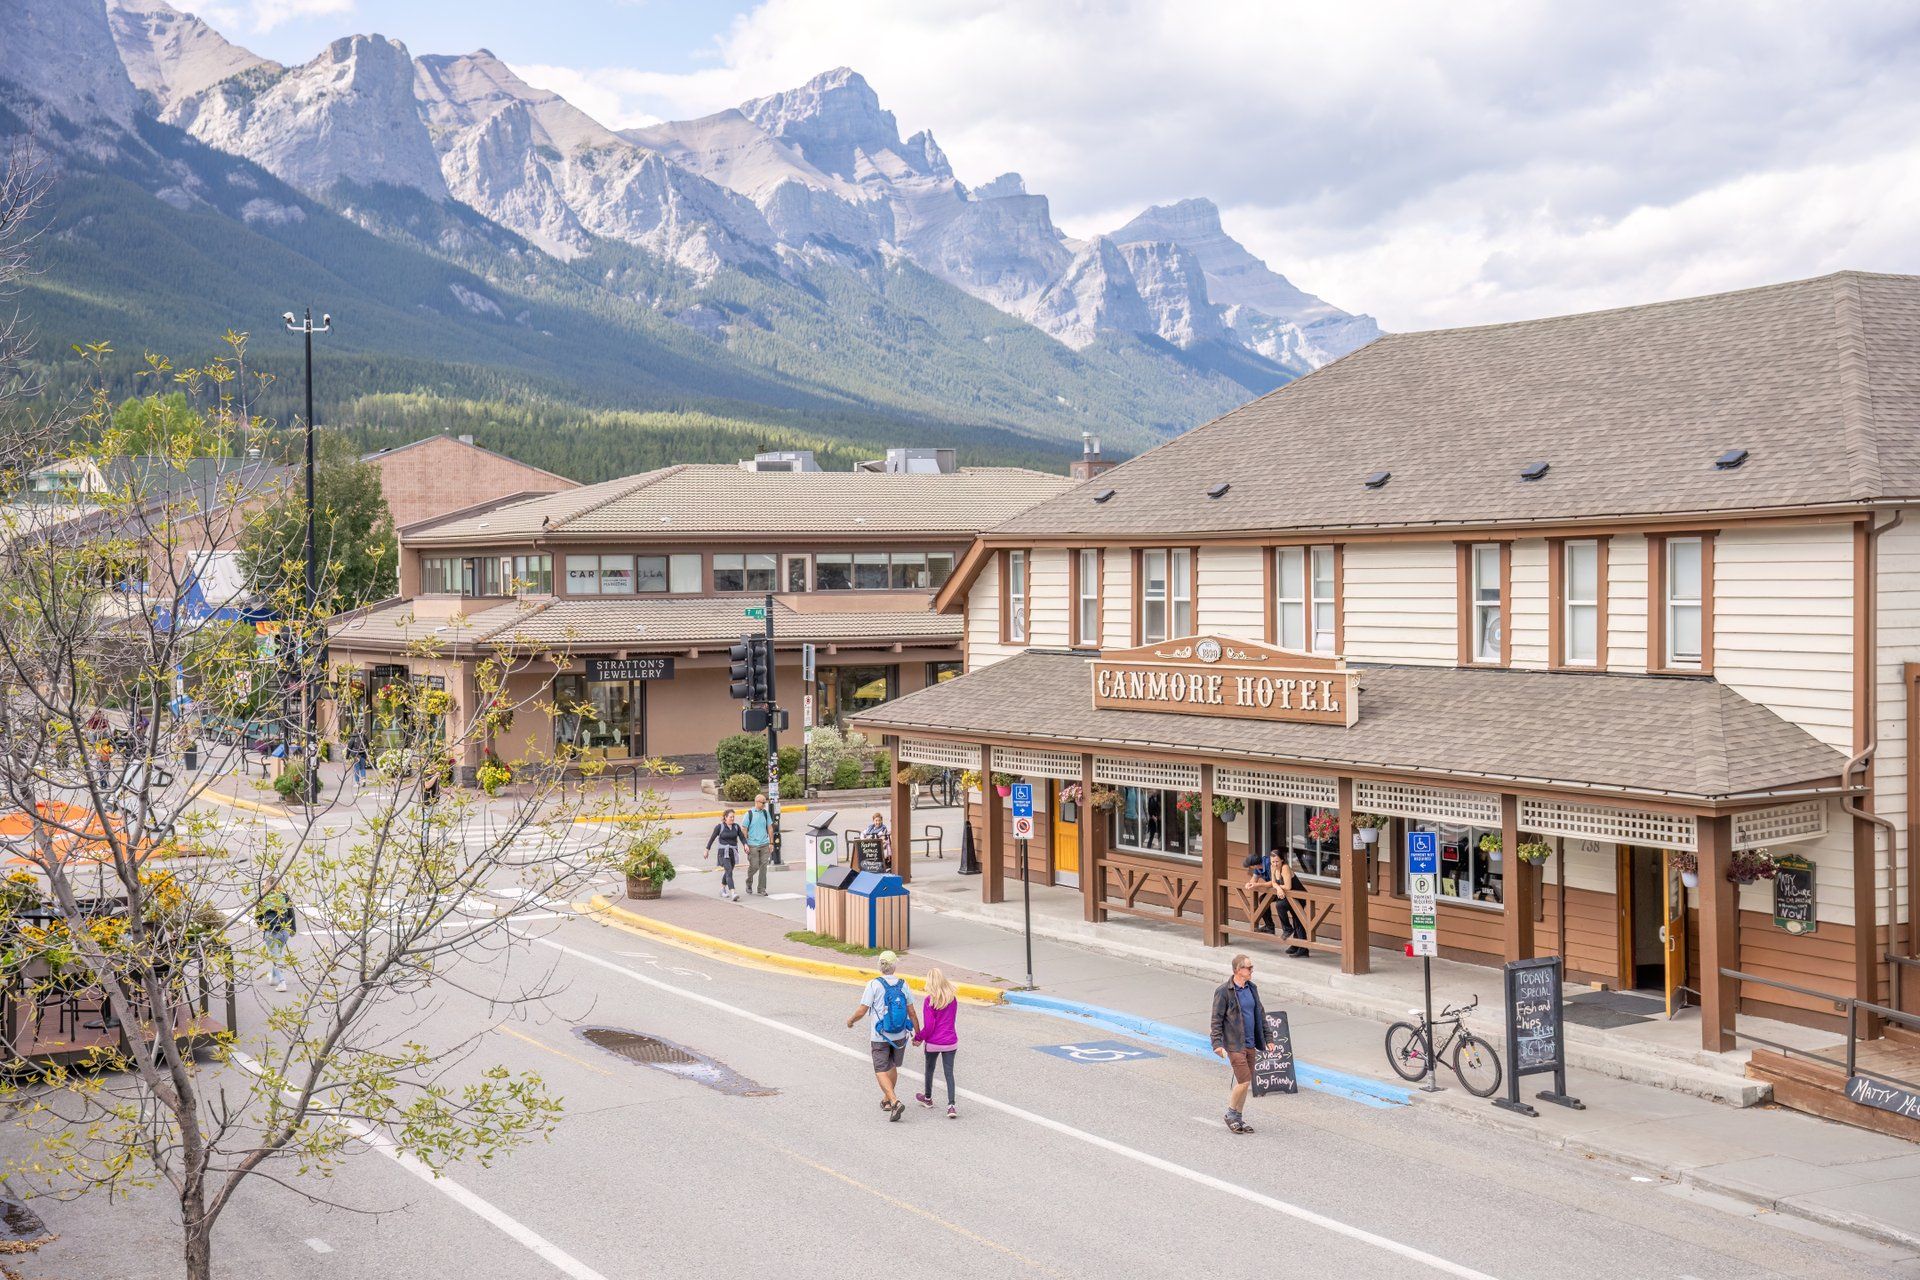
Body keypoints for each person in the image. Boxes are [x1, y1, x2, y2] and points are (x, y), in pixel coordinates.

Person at [846, 950, 918, 1120]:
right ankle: (887, 1100)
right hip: (900, 1034)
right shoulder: (903, 984)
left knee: (880, 1069)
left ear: (880, 966)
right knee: (892, 1066)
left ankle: (894, 1100)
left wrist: (851, 1021)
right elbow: (912, 1012)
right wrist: (918, 1034)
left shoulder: (873, 984)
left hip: (880, 1036)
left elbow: (862, 1010)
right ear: (895, 966)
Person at [1210, 953, 1270, 1134]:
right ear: (1238, 970)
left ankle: (1239, 1117)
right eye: (1248, 968)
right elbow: (1216, 1019)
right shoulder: (1224, 991)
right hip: (1235, 1044)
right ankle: (1230, 1114)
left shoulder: (1252, 988)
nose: (1252, 970)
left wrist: (1269, 1038)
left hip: (1251, 1042)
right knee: (1244, 1081)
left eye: (1252, 967)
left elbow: (1260, 1014)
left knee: (1246, 1082)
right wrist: (1217, 1044)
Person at [912, 967, 961, 1119]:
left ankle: (928, 1099)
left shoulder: (929, 1001)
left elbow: (930, 1025)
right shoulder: (952, 999)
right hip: (950, 1041)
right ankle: (951, 1106)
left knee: (930, 1069)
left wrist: (918, 1038)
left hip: (933, 1043)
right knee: (949, 1073)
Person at [256, 884, 297, 992]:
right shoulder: (284, 896)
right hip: (284, 931)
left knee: (276, 957)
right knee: (277, 954)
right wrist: (293, 929)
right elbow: (291, 914)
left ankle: (282, 982)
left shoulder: (262, 898)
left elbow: (258, 917)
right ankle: (272, 978)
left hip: (271, 931)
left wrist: (263, 928)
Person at [706, 808, 746, 901]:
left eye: (733, 817)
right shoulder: (719, 827)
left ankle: (722, 889)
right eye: (730, 817)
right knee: (729, 871)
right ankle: (733, 892)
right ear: (725, 817)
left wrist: (745, 845)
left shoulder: (736, 827)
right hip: (723, 853)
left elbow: (742, 837)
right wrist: (707, 849)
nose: (732, 819)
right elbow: (711, 839)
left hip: (733, 853)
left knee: (729, 871)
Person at [741, 794, 774, 897]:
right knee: (754, 866)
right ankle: (749, 882)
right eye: (762, 803)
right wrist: (745, 844)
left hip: (764, 844)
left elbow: (770, 828)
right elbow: (744, 829)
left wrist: (771, 842)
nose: (764, 805)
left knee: (763, 867)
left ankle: (761, 889)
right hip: (752, 845)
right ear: (756, 802)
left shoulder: (765, 813)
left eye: (765, 802)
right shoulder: (749, 814)